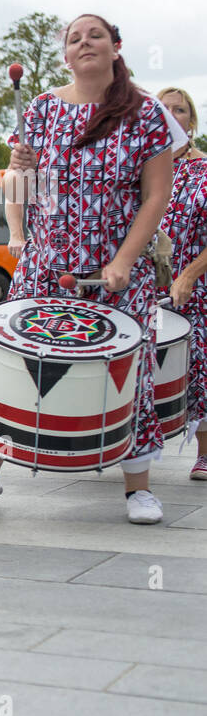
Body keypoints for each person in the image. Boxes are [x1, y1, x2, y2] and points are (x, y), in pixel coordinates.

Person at [0, 14, 181, 524]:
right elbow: (20, 192)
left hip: (117, 271)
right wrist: (19, 172)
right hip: (46, 265)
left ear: (116, 48)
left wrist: (123, 260)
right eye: (75, 38)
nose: (85, 42)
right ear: (65, 55)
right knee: (14, 365)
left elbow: (156, 196)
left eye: (96, 35)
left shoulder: (147, 113)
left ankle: (137, 487)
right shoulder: (41, 109)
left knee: (127, 371)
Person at [156, 86, 207, 479]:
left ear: (191, 120)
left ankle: (204, 452)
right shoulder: (143, 170)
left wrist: (189, 274)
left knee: (200, 366)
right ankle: (130, 448)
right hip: (146, 285)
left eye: (181, 109)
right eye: (165, 109)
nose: (173, 114)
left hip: (197, 284)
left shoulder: (204, 170)